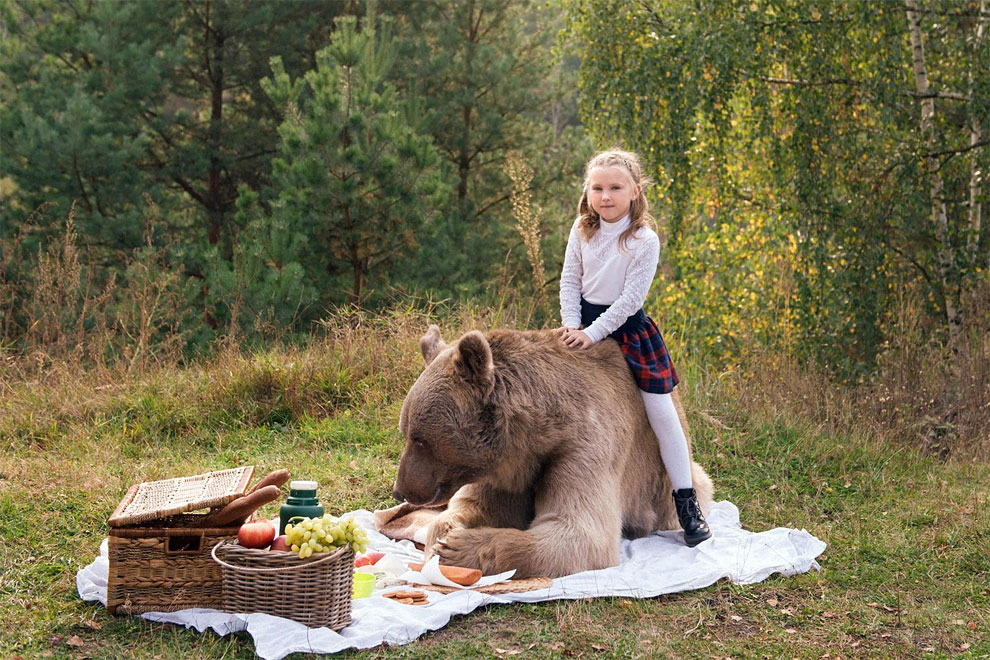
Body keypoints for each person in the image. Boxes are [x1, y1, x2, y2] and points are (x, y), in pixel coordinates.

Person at [558, 148, 712, 546]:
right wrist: (573, 325)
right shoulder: (582, 228)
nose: (605, 196)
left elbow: (629, 301)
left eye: (615, 187)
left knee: (661, 412)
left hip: (626, 329)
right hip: (580, 327)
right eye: (597, 188)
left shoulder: (644, 240)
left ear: (635, 191)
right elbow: (569, 281)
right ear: (587, 191)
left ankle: (686, 502)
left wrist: (594, 334)